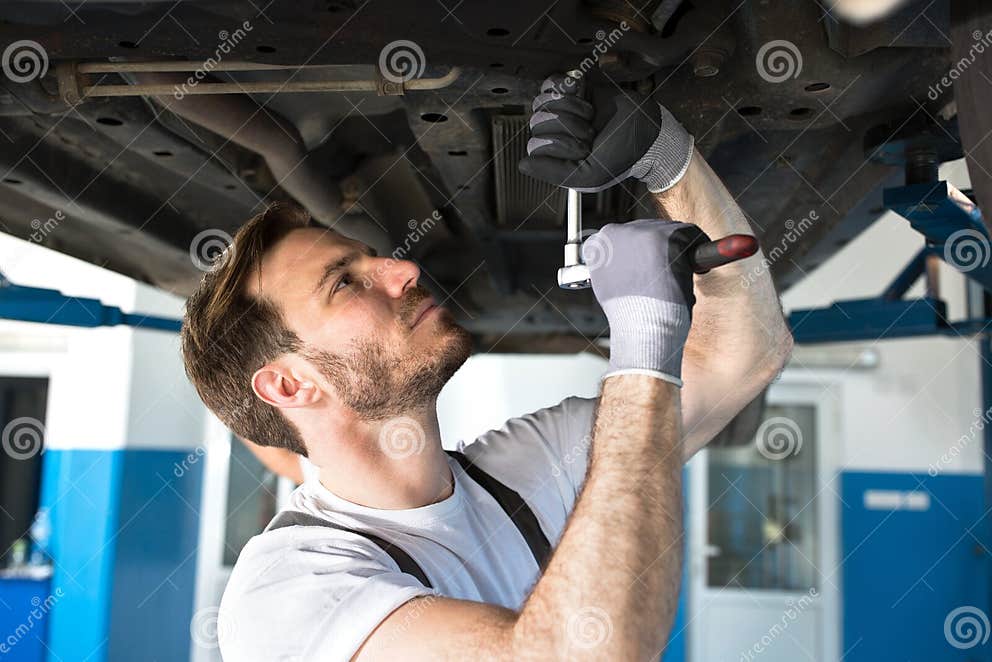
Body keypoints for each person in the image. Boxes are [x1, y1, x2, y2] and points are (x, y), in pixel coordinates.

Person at [179, 73, 792, 660]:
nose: (403, 269)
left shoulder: (526, 469)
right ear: (288, 384)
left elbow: (746, 355)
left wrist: (665, 156)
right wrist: (643, 337)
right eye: (344, 283)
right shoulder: (287, 590)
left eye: (370, 259)